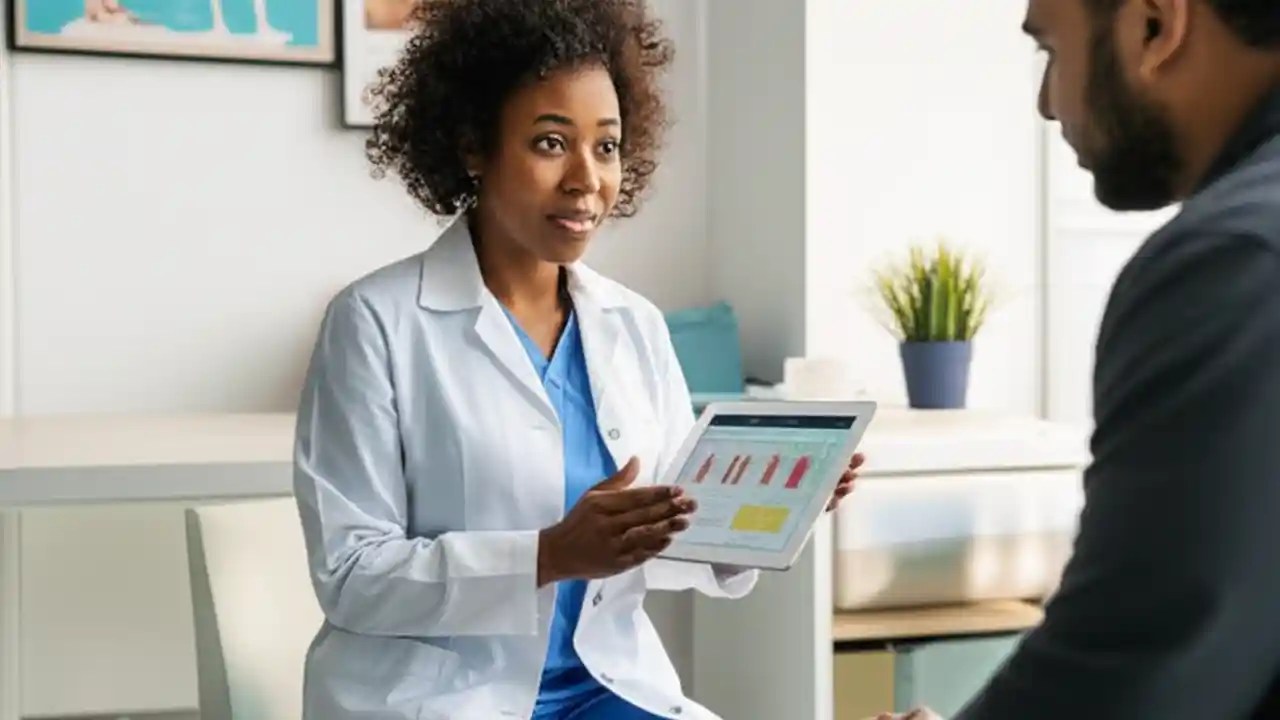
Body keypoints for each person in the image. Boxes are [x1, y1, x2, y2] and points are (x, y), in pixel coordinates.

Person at [292, 1, 863, 719]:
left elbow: (661, 536)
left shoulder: (634, 325)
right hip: (439, 698)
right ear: (473, 146)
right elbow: (351, 575)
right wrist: (549, 554)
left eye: (607, 146)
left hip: (604, 689)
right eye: (550, 142)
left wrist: (773, 511)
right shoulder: (374, 322)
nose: (587, 179)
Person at [883, 0, 1280, 718]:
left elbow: (1135, 667)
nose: (1046, 103)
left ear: (1154, 26)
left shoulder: (1233, 261)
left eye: (1051, 53)